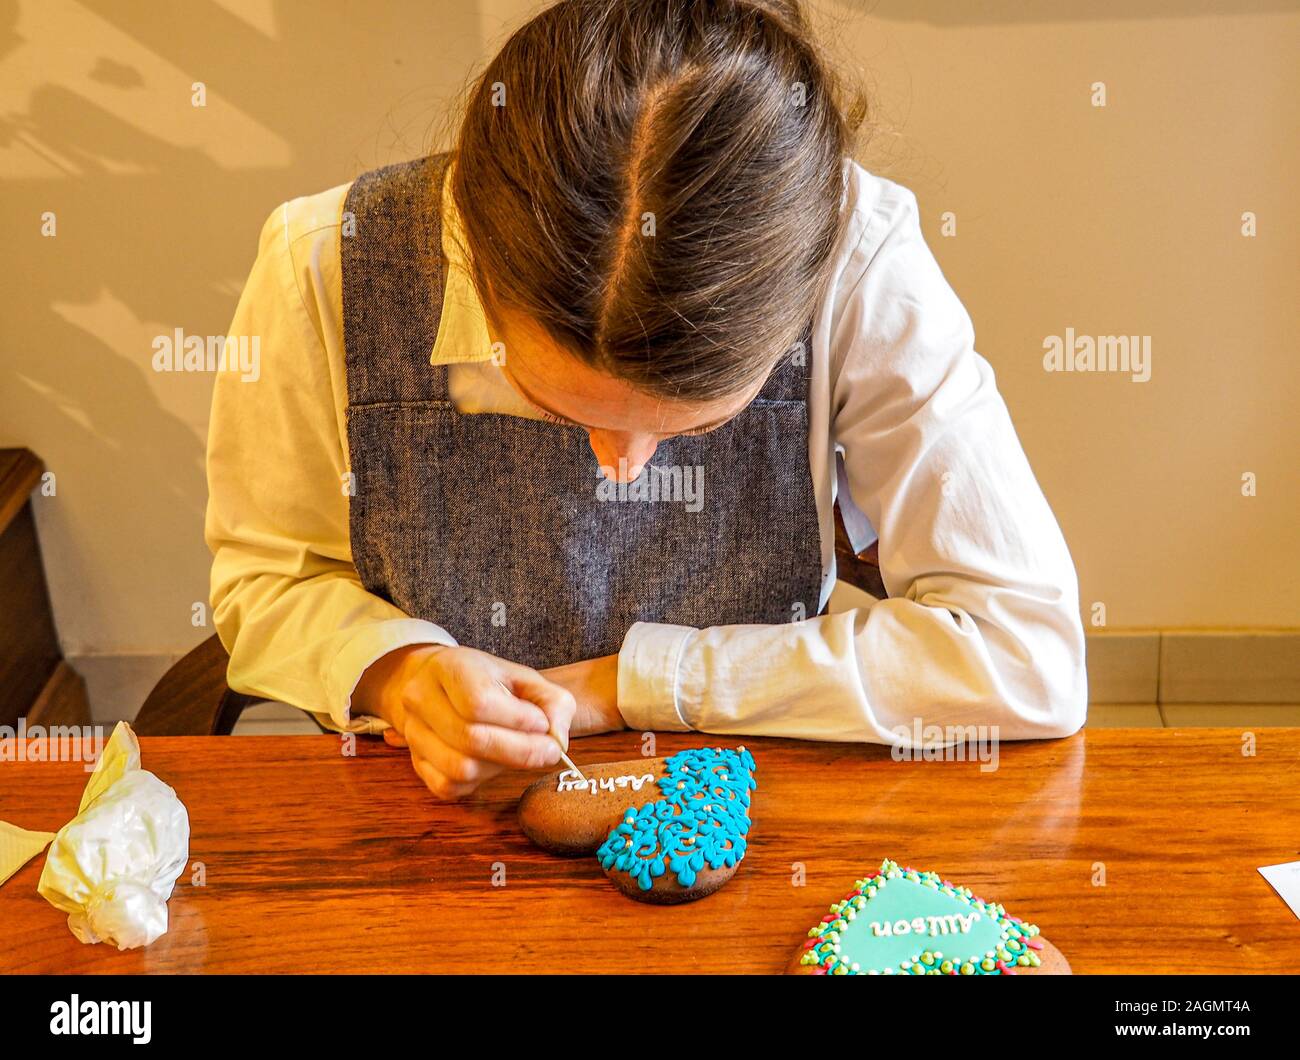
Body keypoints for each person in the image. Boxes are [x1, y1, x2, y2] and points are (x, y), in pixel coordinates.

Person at [205, 0, 1086, 799]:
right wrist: (395, 671)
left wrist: (621, 687)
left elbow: (1024, 652)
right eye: (553, 405)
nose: (619, 469)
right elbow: (267, 580)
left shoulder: (854, 257)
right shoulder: (325, 263)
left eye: (696, 424)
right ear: (469, 246)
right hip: (423, 815)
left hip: (750, 794)